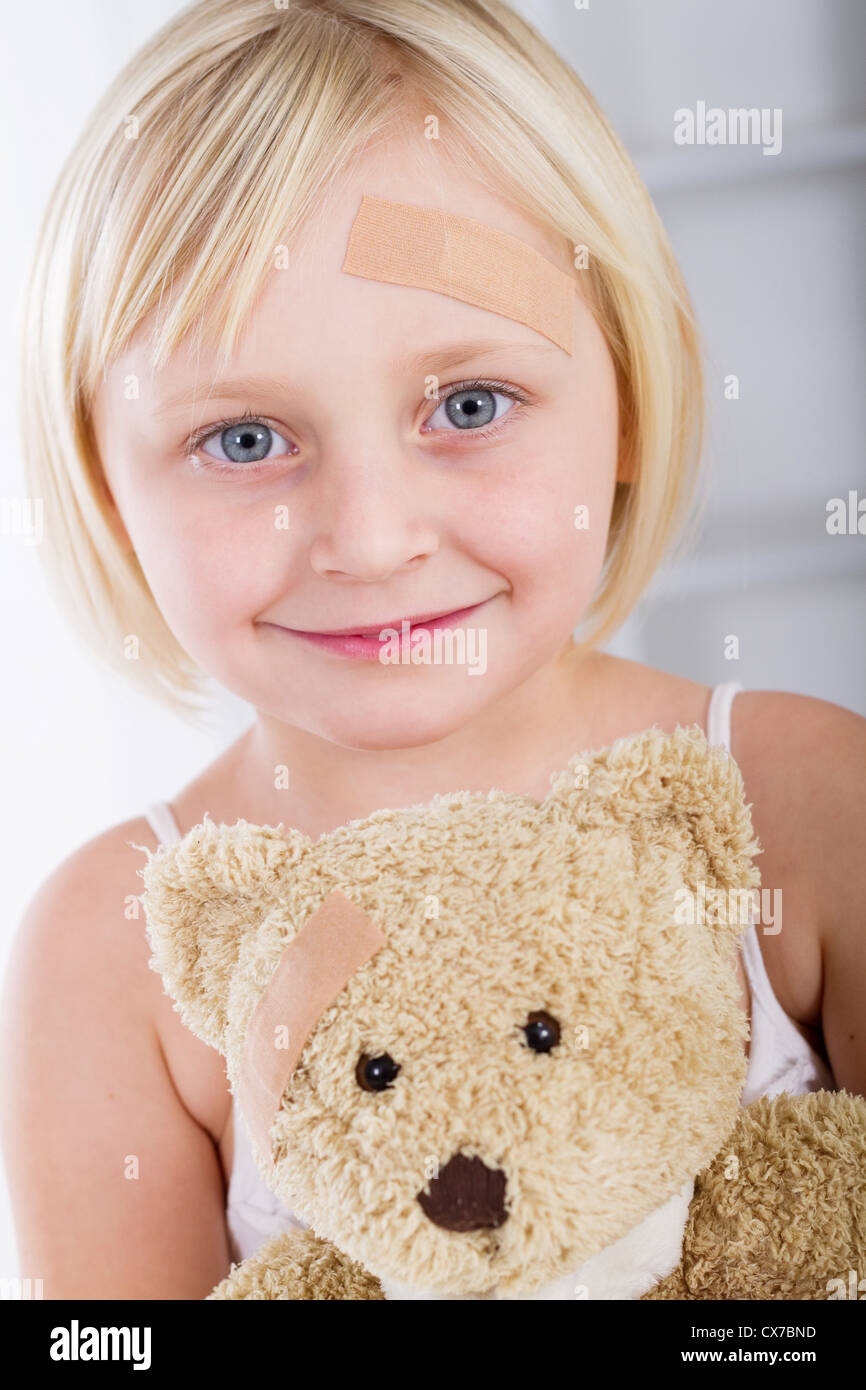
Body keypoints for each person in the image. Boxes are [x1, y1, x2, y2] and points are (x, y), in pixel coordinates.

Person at [1, 0, 863, 1300]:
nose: (370, 536)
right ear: (107, 487)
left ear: (629, 387)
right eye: (244, 439)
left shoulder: (797, 801)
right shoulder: (111, 948)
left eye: (467, 404)